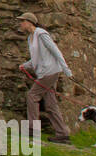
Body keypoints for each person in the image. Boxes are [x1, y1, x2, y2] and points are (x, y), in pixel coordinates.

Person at [18, 11, 73, 144]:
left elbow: (55, 51)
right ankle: (62, 134)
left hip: (50, 72)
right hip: (44, 72)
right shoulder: (30, 38)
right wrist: (25, 65)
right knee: (50, 104)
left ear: (29, 22)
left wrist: (66, 69)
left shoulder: (41, 34)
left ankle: (33, 129)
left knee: (32, 95)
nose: (20, 24)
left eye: (22, 21)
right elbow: (36, 59)